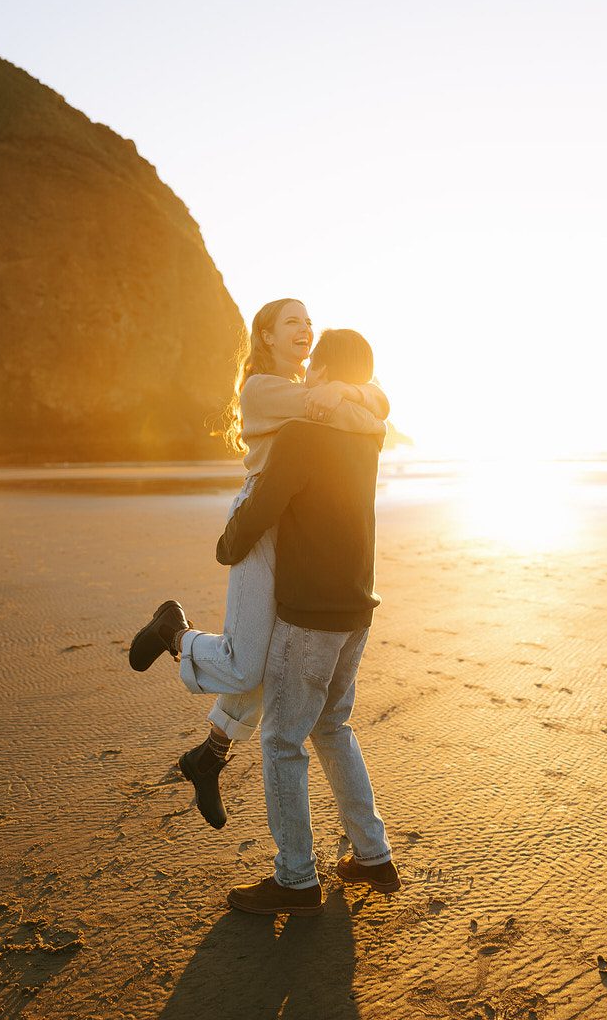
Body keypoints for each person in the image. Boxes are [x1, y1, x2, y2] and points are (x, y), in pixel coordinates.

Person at [128, 299, 389, 830]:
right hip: (261, 516)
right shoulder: (264, 390)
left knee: (269, 656)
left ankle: (211, 755)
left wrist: (353, 393)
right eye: (293, 321)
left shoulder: (310, 391)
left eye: (309, 321)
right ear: (266, 337)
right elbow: (366, 416)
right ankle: (173, 633)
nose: (306, 329)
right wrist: (350, 395)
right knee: (248, 662)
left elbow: (376, 405)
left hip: (296, 519)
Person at [216, 328, 400, 916]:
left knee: (280, 738)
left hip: (311, 616)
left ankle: (295, 880)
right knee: (332, 728)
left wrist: (228, 545)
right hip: (355, 606)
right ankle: (373, 857)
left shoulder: (302, 434)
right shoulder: (366, 436)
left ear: (321, 375)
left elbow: (263, 507)